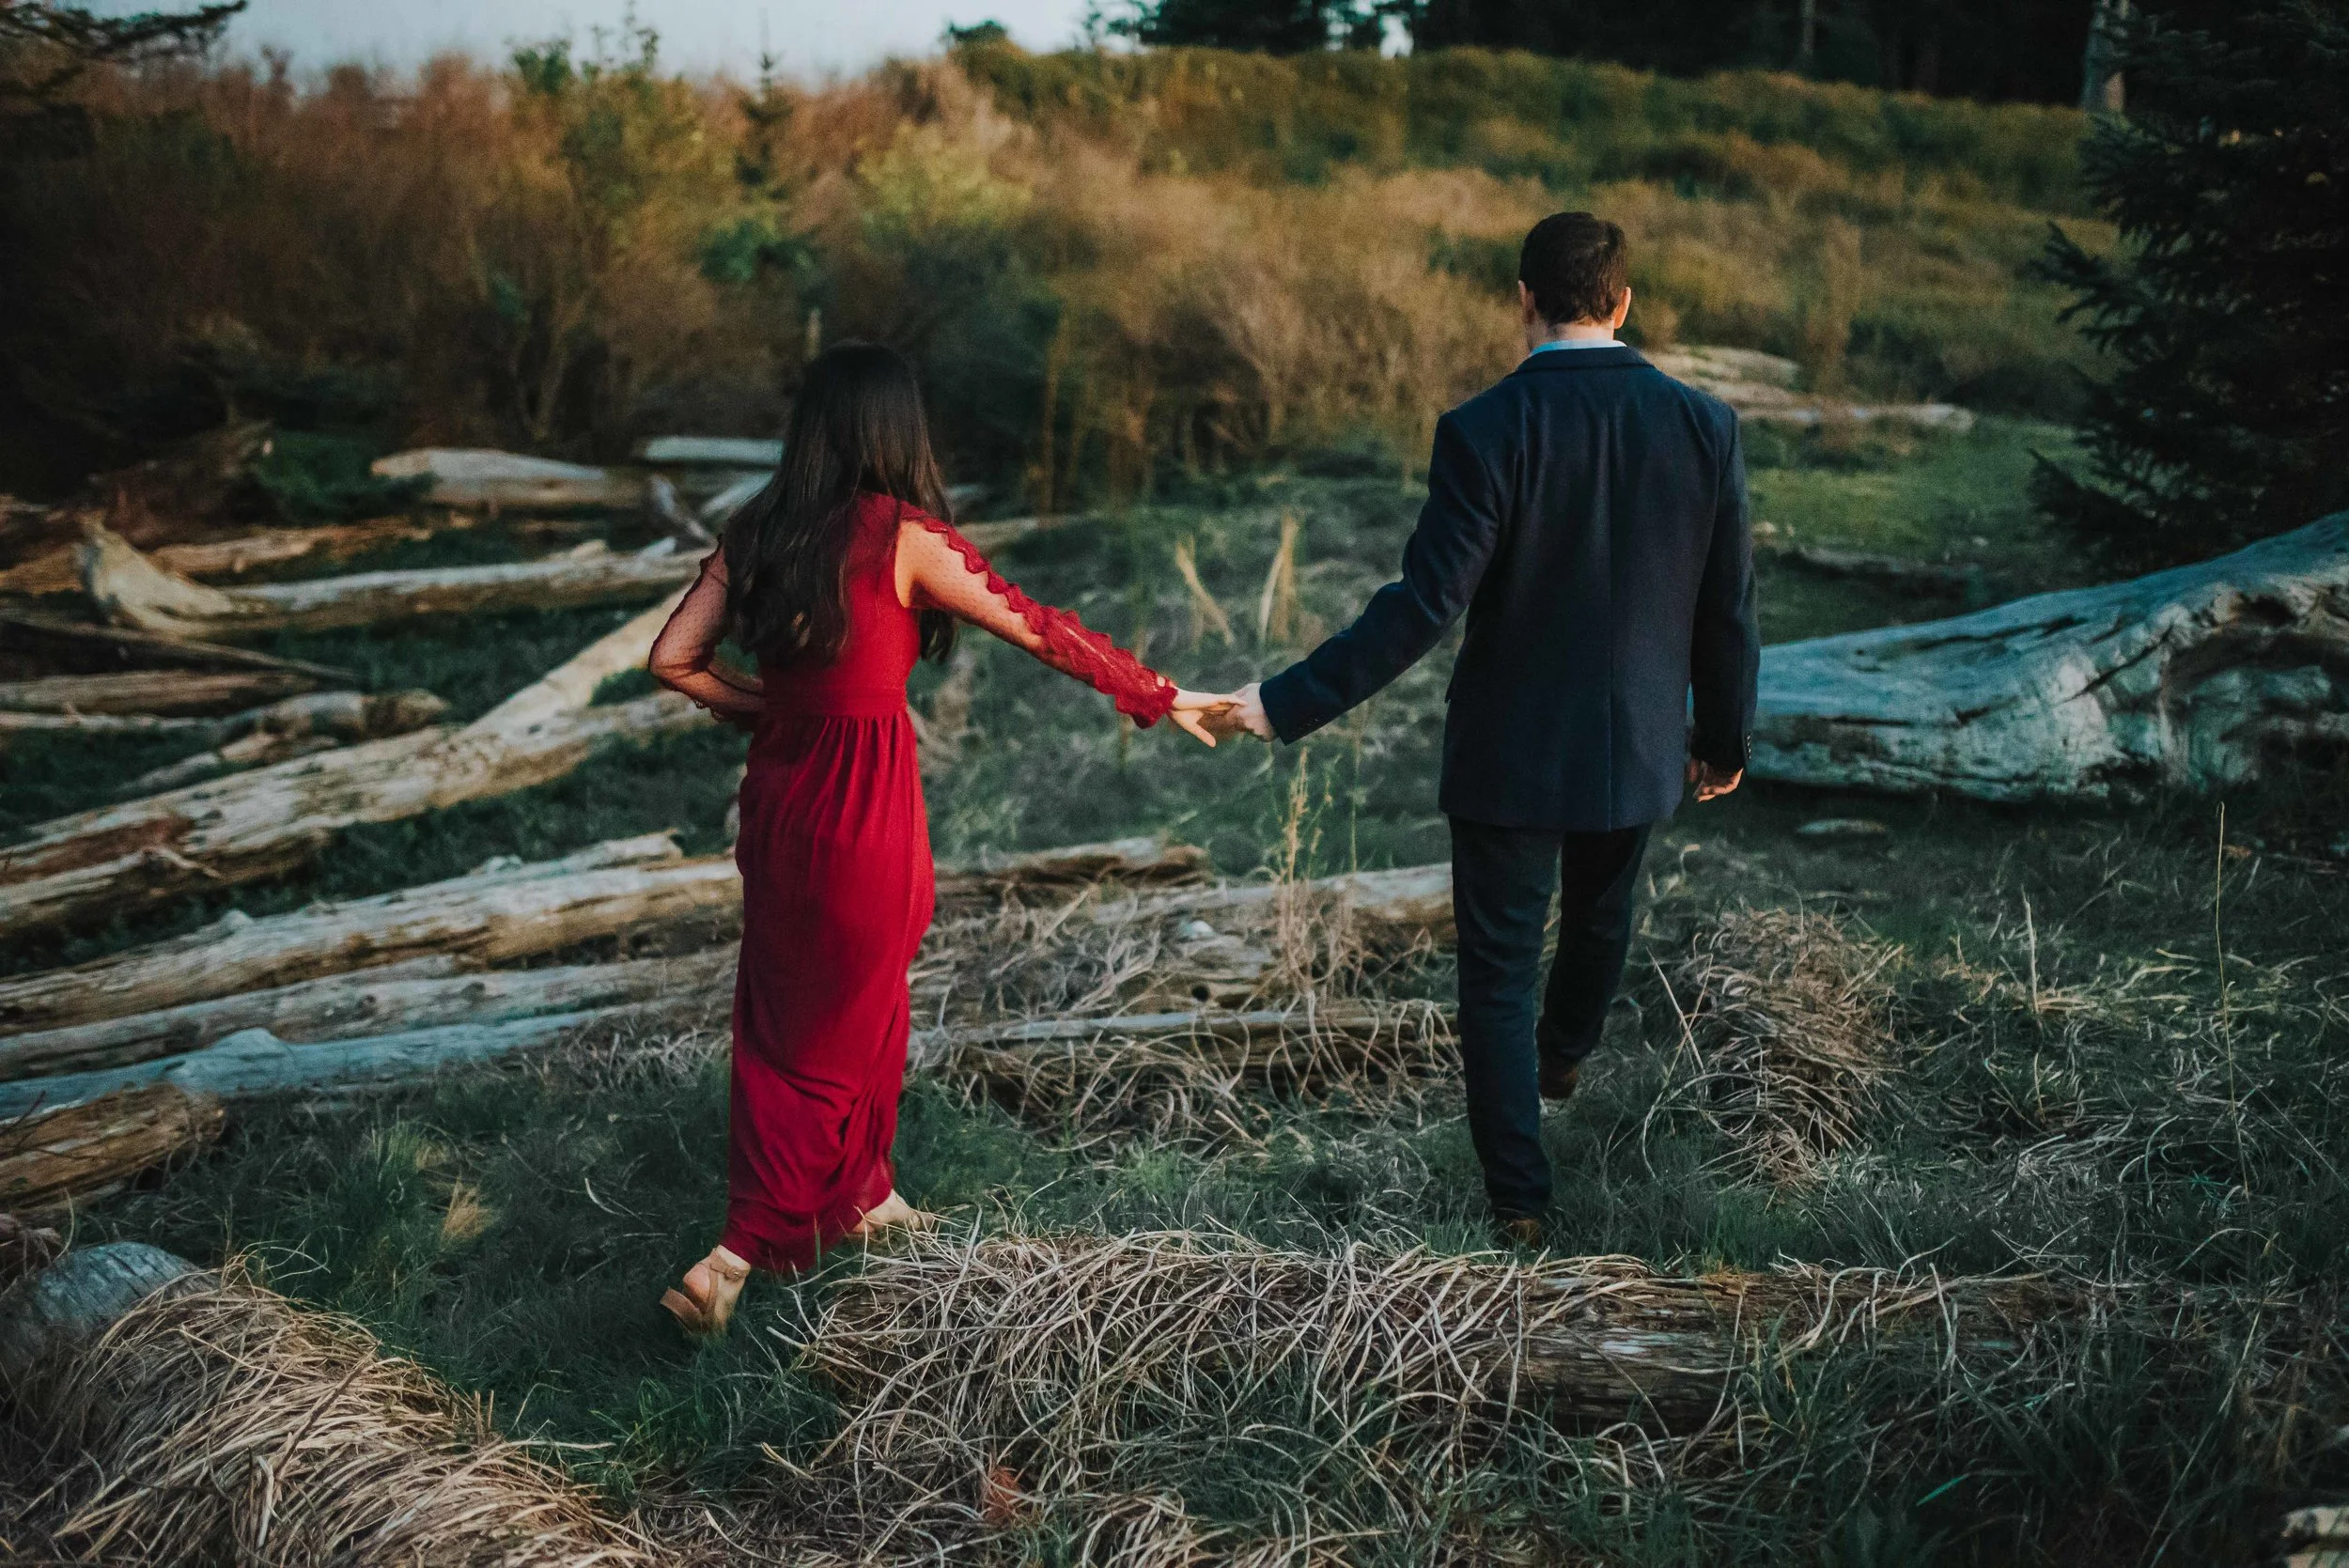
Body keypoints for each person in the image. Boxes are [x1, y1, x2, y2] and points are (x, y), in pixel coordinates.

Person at [648, 342, 1229, 1333]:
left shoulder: (757, 529)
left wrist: (775, 711)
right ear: (894, 428)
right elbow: (1036, 625)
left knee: (799, 1011)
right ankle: (734, 1254)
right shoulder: (900, 537)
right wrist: (1157, 694)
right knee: (840, 1024)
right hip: (866, 812)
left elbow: (673, 659)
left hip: (782, 808)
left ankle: (868, 1197)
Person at [1207, 212, 1760, 1248]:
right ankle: (1564, 1055)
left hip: (1509, 750)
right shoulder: (1703, 424)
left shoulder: (1484, 428)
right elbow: (1726, 605)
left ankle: (1519, 1202)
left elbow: (1420, 605)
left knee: (1496, 970)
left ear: (1522, 299)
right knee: (1602, 915)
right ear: (1623, 303)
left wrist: (1285, 699)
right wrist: (1721, 738)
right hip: (1638, 742)